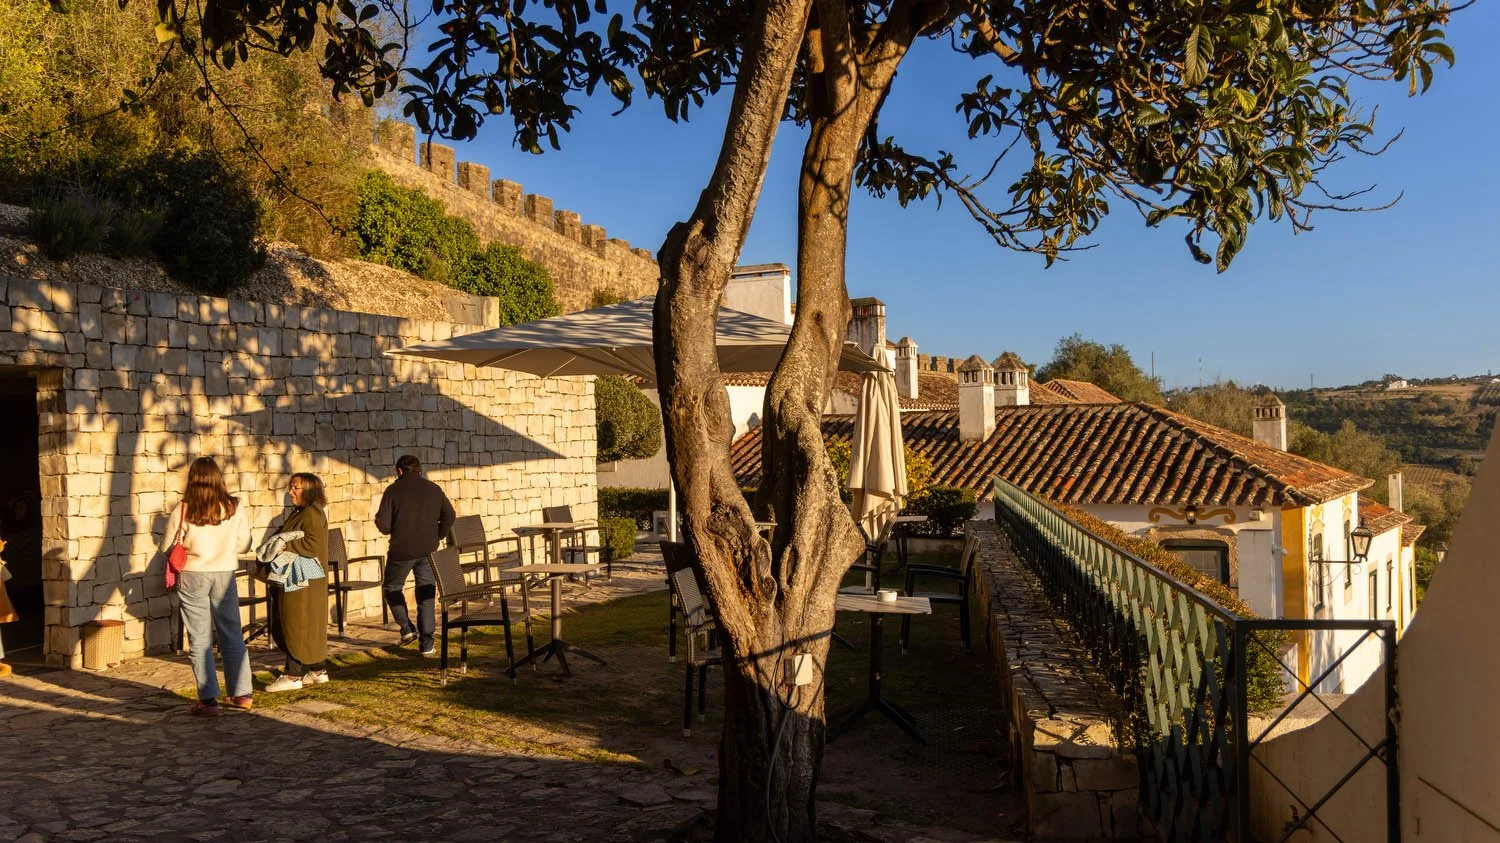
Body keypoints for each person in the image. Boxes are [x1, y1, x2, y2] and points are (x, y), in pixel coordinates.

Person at [162, 457, 254, 716]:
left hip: (192, 574)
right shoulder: (234, 506)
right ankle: (242, 693)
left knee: (199, 638)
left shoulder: (183, 509)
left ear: (192, 479)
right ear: (218, 478)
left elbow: (166, 546)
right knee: (232, 632)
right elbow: (245, 543)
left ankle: (208, 699)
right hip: (224, 572)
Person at [375, 455, 456, 656]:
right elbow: (450, 515)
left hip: (401, 551)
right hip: (428, 550)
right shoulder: (433, 489)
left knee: (391, 588)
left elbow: (384, 526)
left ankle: (407, 628)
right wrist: (439, 535)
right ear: (419, 470)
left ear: (400, 471)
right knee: (426, 594)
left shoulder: (393, 491)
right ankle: (427, 645)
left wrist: (384, 523)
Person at [264, 472, 330, 692]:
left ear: (309, 490)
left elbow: (312, 544)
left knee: (296, 624)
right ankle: (318, 670)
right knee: (306, 624)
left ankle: (293, 675)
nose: (291, 492)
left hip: (301, 580)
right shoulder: (305, 512)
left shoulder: (311, 513)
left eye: (296, 488)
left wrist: (284, 545)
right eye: (291, 488)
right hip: (303, 579)